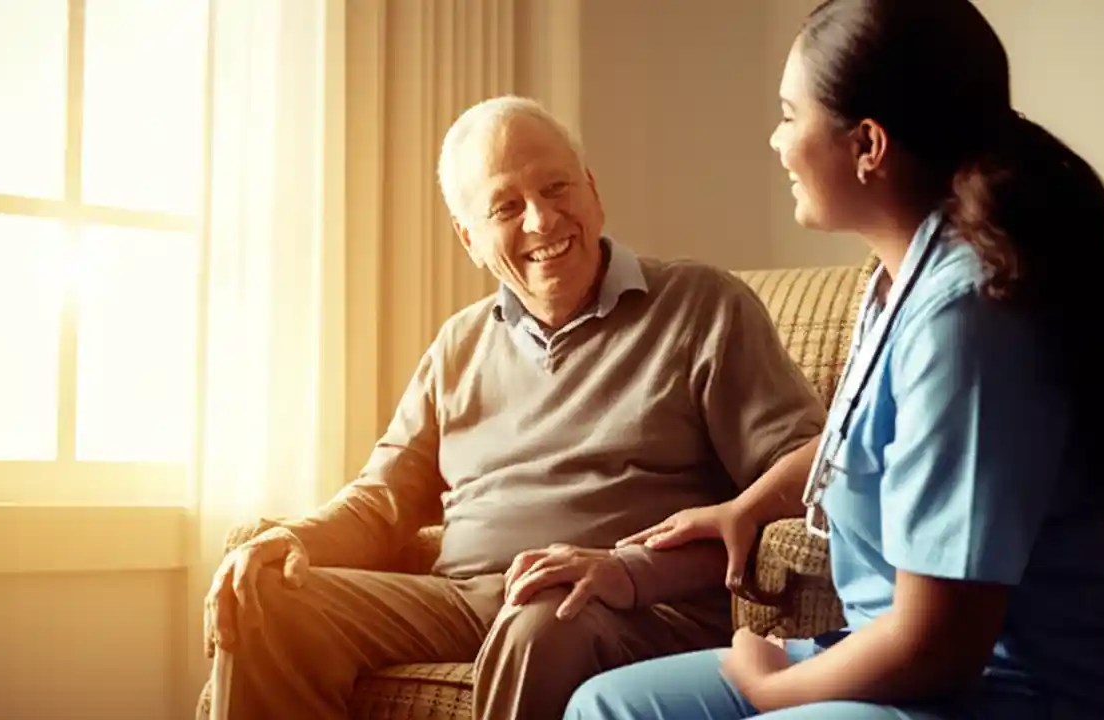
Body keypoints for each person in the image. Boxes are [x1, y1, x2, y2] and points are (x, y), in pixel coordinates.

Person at [566, 1, 1104, 718]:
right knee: (607, 706)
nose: (776, 142)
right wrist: (746, 507)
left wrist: (770, 689)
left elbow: (943, 642)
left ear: (868, 145)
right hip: (889, 654)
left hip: (1013, 687)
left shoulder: (970, 319)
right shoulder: (898, 279)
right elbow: (867, 435)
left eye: (787, 113)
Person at [200, 96, 825, 720]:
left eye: (557, 187)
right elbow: (381, 502)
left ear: (592, 189)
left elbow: (812, 464)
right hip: (467, 599)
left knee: (547, 614)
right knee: (268, 598)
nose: (542, 220)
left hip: (623, 606)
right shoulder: (459, 344)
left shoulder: (702, 307)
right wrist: (291, 538)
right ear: (470, 239)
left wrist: (631, 565)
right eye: (506, 206)